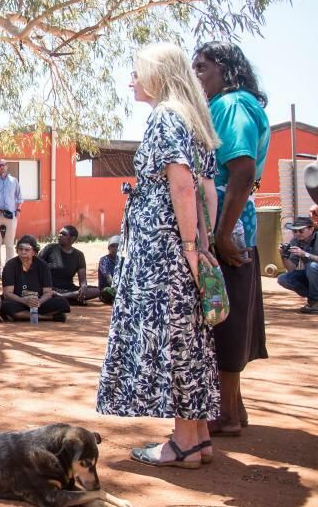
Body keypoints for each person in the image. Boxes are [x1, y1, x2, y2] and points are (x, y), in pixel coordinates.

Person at [98, 42, 220, 469]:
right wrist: (202, 245)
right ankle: (198, 436)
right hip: (180, 248)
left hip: (162, 254)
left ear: (157, 75)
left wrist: (187, 247)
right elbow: (205, 190)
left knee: (169, 340)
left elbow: (184, 186)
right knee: (189, 337)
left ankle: (183, 442)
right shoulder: (191, 119)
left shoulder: (165, 118)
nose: (131, 80)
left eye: (136, 72)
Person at [193, 41, 270, 437]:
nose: (197, 76)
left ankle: (225, 413)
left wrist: (222, 234)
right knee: (227, 312)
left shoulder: (231, 106)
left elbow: (241, 170)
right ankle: (233, 405)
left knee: (223, 317)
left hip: (229, 228)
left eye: (202, 67)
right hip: (234, 225)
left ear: (225, 68)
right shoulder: (235, 104)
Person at [0, 235, 70, 321]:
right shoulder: (10, 265)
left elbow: (48, 292)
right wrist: (24, 301)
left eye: (27, 250)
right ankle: (48, 317)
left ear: (34, 252)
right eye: (20, 249)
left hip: (39, 302)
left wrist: (38, 302)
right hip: (19, 301)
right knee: (7, 306)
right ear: (17, 250)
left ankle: (23, 316)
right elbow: (8, 293)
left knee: (62, 303)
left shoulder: (43, 265)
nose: (23, 252)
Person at [39, 225, 100, 305]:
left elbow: (83, 280)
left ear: (72, 238)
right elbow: (36, 265)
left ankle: (61, 297)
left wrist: (84, 286)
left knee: (96, 291)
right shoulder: (50, 248)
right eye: (59, 233)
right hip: (49, 287)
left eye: (63, 234)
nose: (59, 235)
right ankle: (69, 298)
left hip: (68, 289)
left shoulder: (79, 255)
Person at [276, 217, 318, 313]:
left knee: (311, 266)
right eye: (295, 231)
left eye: (301, 231)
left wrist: (305, 254)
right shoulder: (295, 241)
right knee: (283, 279)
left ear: (311, 229)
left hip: (313, 270)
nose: (297, 234)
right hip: (312, 275)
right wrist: (283, 255)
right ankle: (314, 300)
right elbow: (291, 268)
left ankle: (315, 301)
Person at [97, 235, 122, 304]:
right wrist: (118, 290)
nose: (115, 248)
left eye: (117, 246)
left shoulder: (123, 261)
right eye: (112, 246)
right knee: (107, 291)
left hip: (121, 288)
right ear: (109, 248)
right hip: (108, 288)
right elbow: (108, 278)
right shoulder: (104, 260)